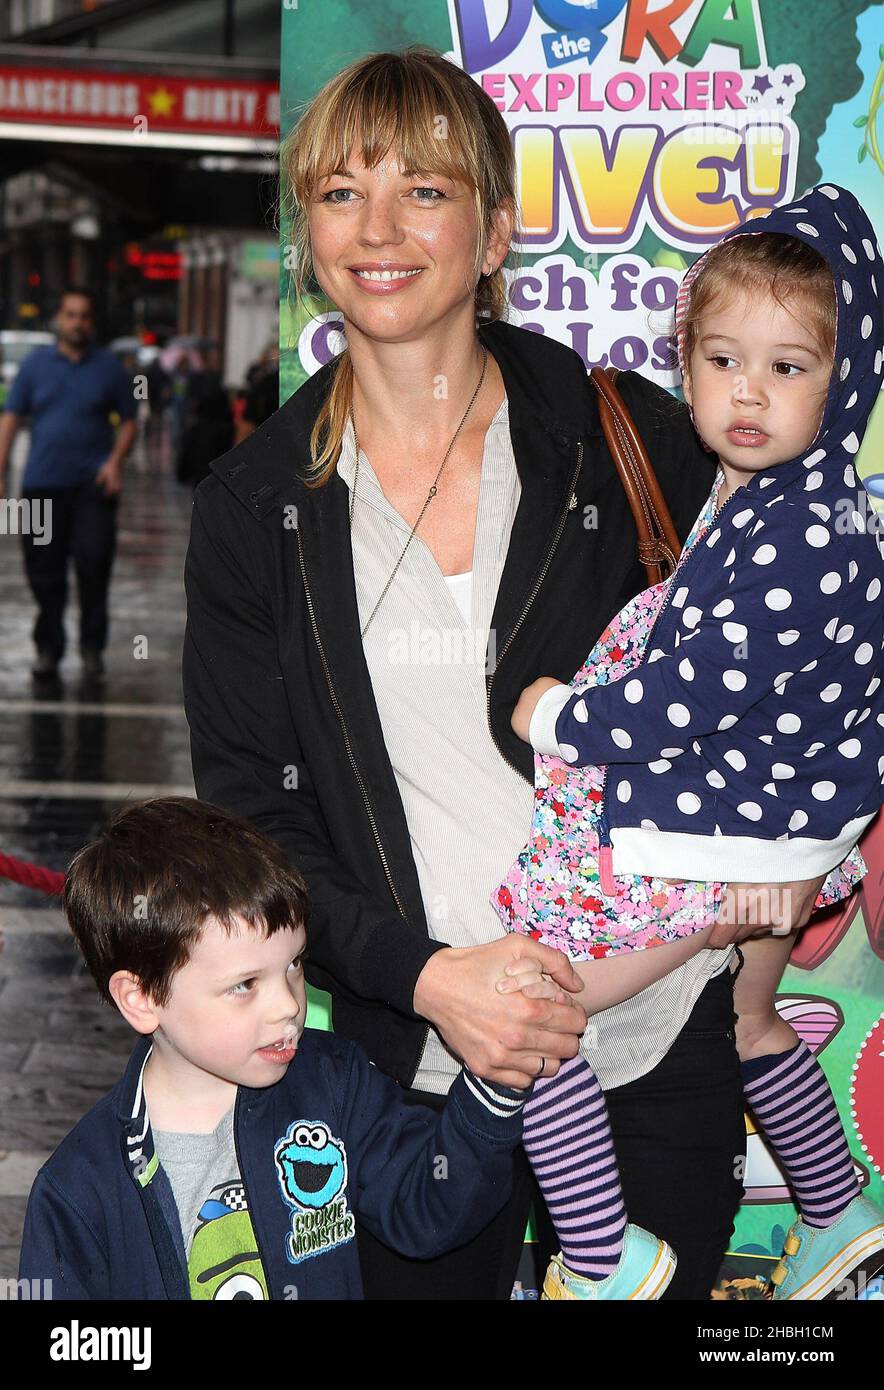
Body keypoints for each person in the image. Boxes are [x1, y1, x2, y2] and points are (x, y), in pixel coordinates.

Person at [181, 46, 830, 1300]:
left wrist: (790, 853)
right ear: (305, 228)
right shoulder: (255, 502)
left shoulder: (631, 435)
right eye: (339, 192)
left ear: (491, 231)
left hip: (652, 1039)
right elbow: (251, 822)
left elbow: (805, 648)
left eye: (423, 190)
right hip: (414, 1072)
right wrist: (428, 978)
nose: (377, 229)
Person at [493, 184, 884, 1300]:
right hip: (789, 839)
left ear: (842, 374)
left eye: (787, 367)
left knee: (535, 1003)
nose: (746, 393)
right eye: (720, 360)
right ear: (686, 361)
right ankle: (831, 1207)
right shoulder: (804, 503)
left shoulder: (789, 529)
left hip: (725, 841)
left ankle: (601, 1254)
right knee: (752, 1018)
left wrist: (555, 714)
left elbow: (689, 697)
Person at [17, 797, 532, 1300]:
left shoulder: (333, 1084)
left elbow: (429, 1210)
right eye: (245, 985)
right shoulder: (79, 1188)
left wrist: (494, 1089)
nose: (288, 1004)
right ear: (143, 998)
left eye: (293, 965)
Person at [0, 286, 137, 682]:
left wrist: (115, 462)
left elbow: (130, 421)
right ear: (59, 320)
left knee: (94, 566)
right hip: (41, 487)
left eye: (84, 316)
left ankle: (92, 650)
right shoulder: (33, 367)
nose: (77, 323)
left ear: (91, 323)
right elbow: (10, 418)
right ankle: (48, 648)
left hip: (93, 488)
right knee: (44, 573)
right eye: (71, 315)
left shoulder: (109, 368)